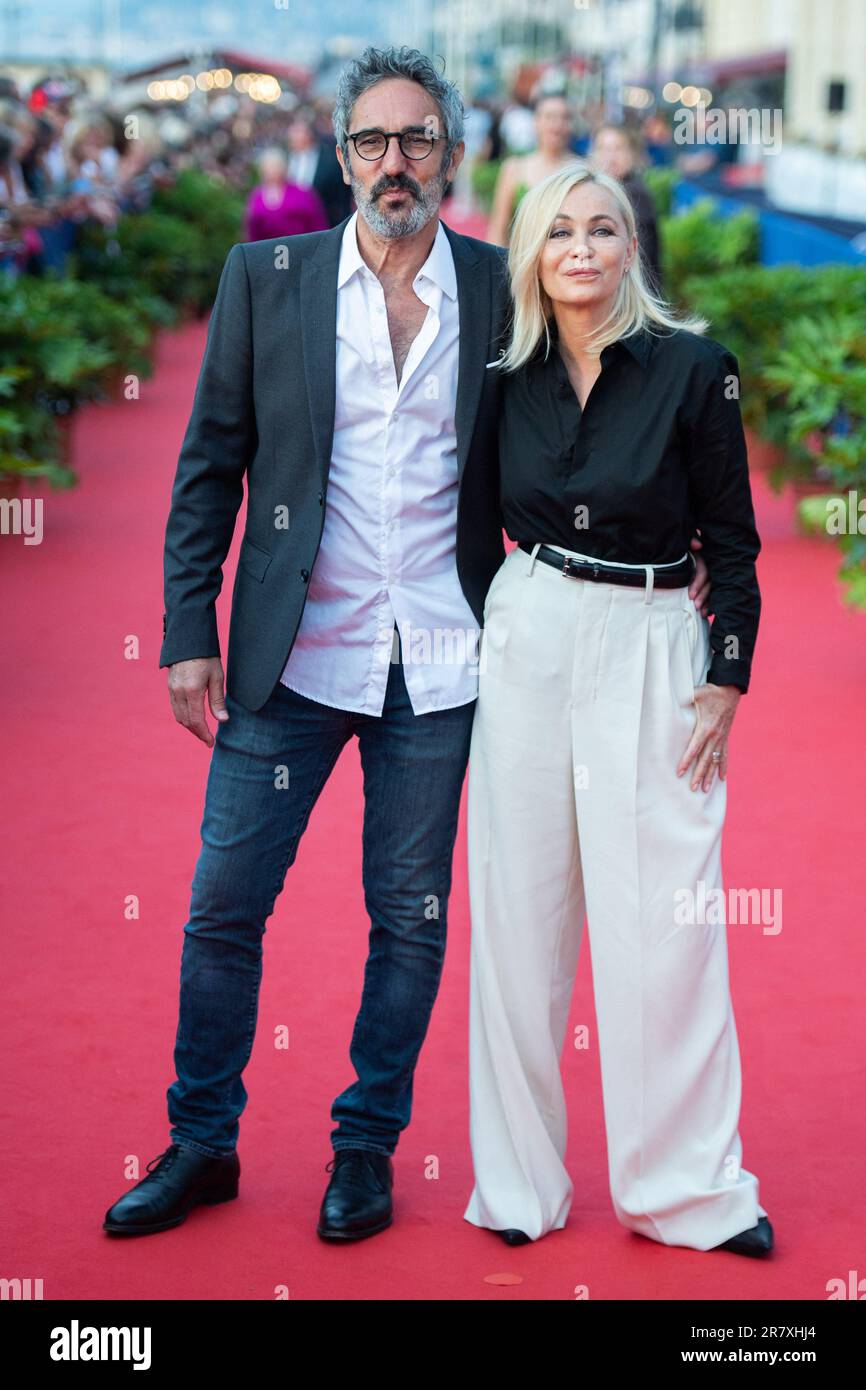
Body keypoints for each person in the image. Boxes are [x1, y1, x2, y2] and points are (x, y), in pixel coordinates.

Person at [100, 44, 517, 1243]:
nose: (396, 162)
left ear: (450, 155)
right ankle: (200, 1141)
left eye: (418, 139)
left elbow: (567, 432)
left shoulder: (496, 287)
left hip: (439, 658)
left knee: (408, 918)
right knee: (223, 907)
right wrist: (188, 630)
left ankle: (365, 1146)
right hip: (289, 658)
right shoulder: (266, 278)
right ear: (340, 156)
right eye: (373, 140)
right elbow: (207, 467)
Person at [462, 162, 773, 1256]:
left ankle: (684, 1189)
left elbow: (733, 544)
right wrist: (504, 633)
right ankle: (516, 1185)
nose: (581, 249)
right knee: (519, 917)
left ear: (630, 247)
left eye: (601, 229)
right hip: (530, 630)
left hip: (653, 640)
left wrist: (725, 677)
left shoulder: (694, 370)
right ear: (532, 255)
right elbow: (470, 530)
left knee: (666, 922)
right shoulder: (503, 375)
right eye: (559, 233)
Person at [486, 93, 576, 247]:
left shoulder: (583, 169)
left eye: (564, 117)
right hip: (523, 258)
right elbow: (498, 229)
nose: (557, 124)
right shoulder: (514, 168)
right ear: (536, 121)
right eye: (549, 117)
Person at [590, 122, 662, 293]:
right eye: (603, 148)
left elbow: (640, 258)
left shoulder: (635, 194)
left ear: (633, 154)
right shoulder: (599, 191)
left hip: (629, 292)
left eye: (618, 148)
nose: (610, 157)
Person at [242, 146, 328, 242]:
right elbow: (251, 230)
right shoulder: (257, 196)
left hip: (301, 246)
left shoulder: (301, 193)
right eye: (269, 167)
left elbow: (317, 224)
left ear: (284, 168)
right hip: (268, 249)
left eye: (276, 166)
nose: (273, 171)